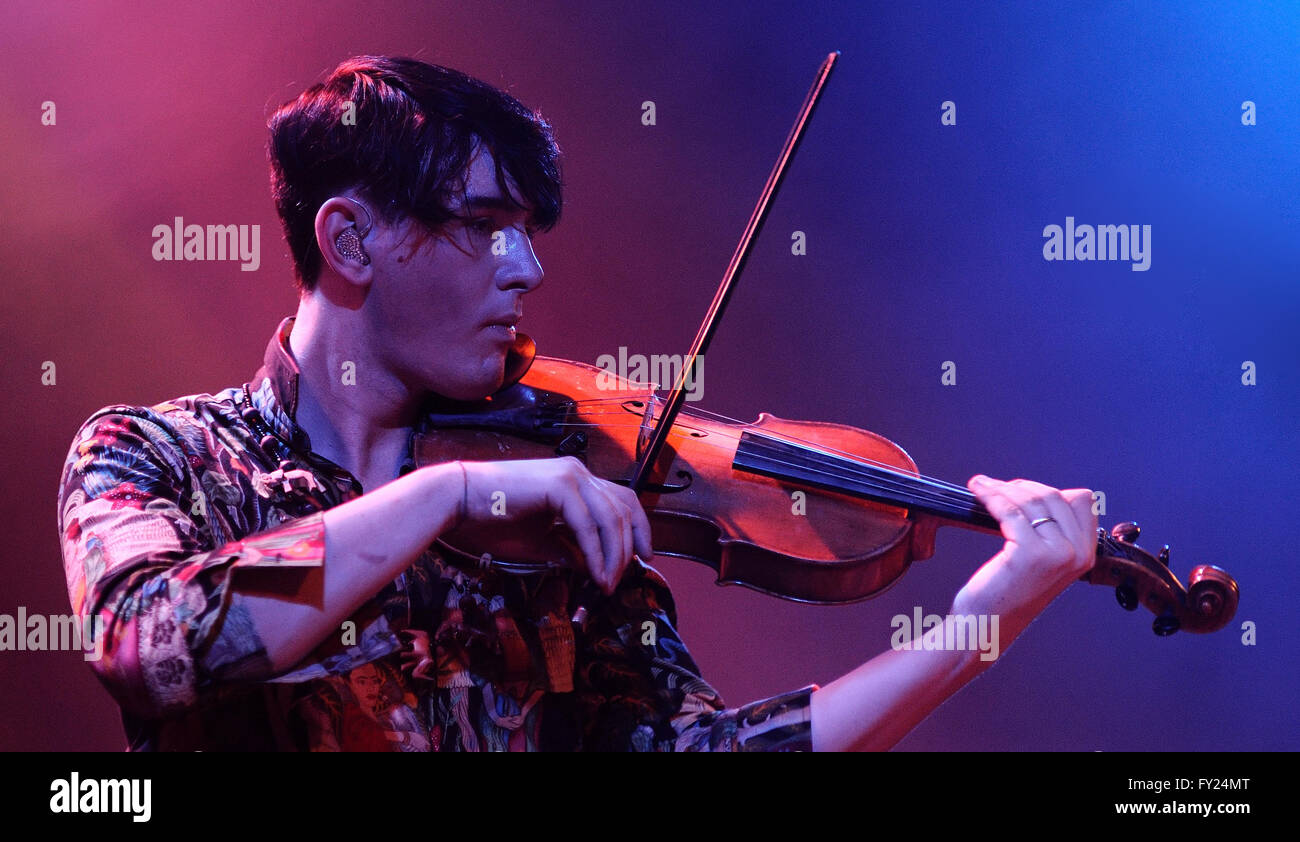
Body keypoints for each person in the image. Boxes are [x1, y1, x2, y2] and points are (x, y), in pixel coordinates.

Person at [56, 55, 1098, 752]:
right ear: (348, 240)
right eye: (485, 225)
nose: (526, 272)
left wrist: (975, 625)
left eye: (531, 232)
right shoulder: (157, 453)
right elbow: (153, 650)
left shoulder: (558, 522)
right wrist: (449, 496)